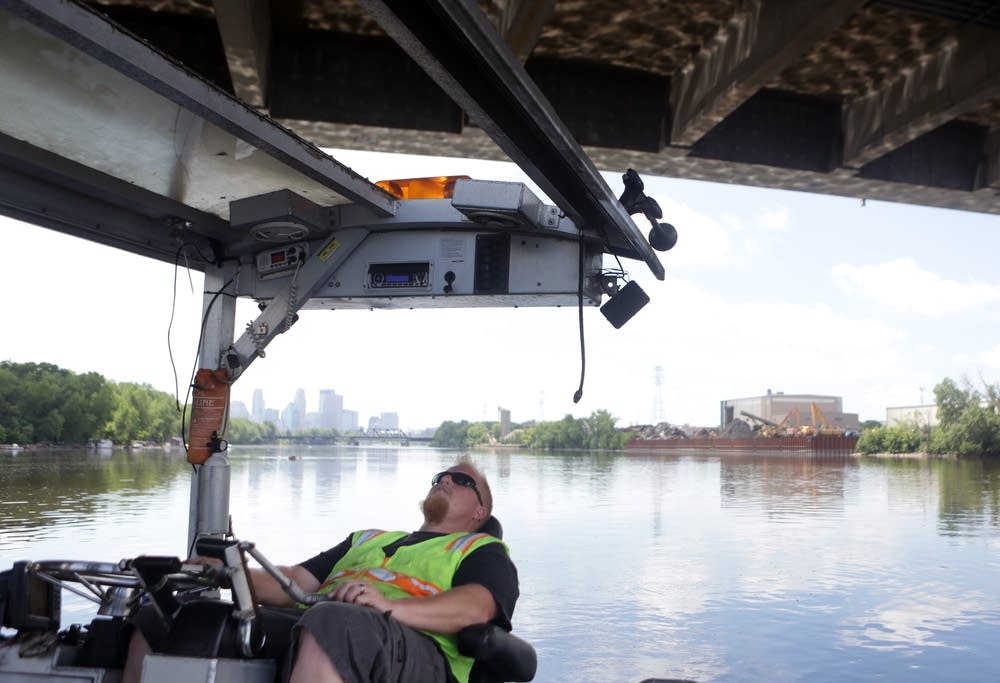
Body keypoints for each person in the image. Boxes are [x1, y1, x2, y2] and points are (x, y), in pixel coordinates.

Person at [124, 457, 518, 683]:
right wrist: (229, 572)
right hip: (327, 621)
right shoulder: (367, 538)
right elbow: (293, 583)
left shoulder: (482, 549)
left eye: (461, 480)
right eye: (440, 477)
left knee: (331, 621)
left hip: (423, 654)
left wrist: (386, 607)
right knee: (170, 616)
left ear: (480, 512)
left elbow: (476, 607)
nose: (445, 479)